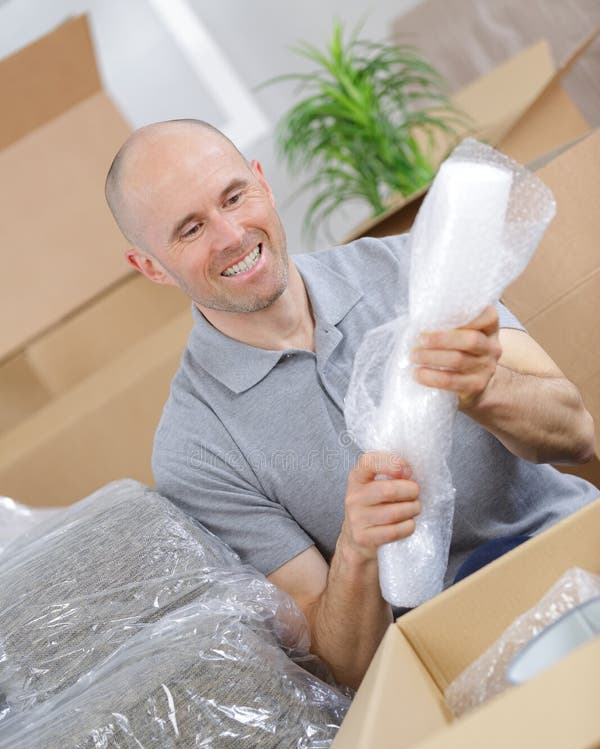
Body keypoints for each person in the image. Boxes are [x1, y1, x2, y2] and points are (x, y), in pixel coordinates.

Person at [105, 118, 598, 688]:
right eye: (190, 229)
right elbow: (340, 665)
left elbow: (578, 435)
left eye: (234, 197)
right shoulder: (196, 447)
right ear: (149, 266)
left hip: (575, 554)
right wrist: (359, 548)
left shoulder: (411, 268)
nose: (232, 234)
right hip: (462, 657)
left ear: (261, 182)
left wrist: (486, 387)